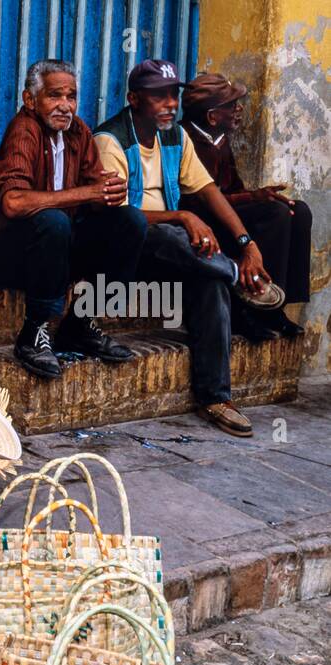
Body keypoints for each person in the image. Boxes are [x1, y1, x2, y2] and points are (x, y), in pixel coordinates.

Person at [95, 60, 281, 438]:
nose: (169, 104)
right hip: (125, 255)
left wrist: (248, 245)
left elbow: (209, 191)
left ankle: (216, 397)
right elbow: (117, 218)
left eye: (173, 95)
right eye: (157, 96)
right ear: (133, 99)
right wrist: (181, 217)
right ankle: (235, 278)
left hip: (172, 253)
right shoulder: (110, 140)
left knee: (208, 283)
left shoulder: (175, 138)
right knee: (172, 233)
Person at [0, 59, 146, 379]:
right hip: (15, 257)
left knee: (131, 222)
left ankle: (80, 323)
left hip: (59, 251)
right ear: (30, 100)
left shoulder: (77, 131)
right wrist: (88, 194)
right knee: (55, 221)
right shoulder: (24, 130)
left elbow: (95, 189)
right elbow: (14, 203)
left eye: (70, 97)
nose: (65, 106)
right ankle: (34, 332)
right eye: (54, 96)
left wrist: (110, 191)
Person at [182, 72, 310, 338]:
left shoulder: (220, 140)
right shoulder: (187, 140)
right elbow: (200, 200)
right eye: (231, 106)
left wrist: (256, 196)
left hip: (226, 213)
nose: (238, 109)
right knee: (274, 213)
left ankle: (277, 303)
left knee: (298, 211)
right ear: (212, 117)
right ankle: (248, 310)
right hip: (202, 221)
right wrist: (253, 199)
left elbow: (234, 190)